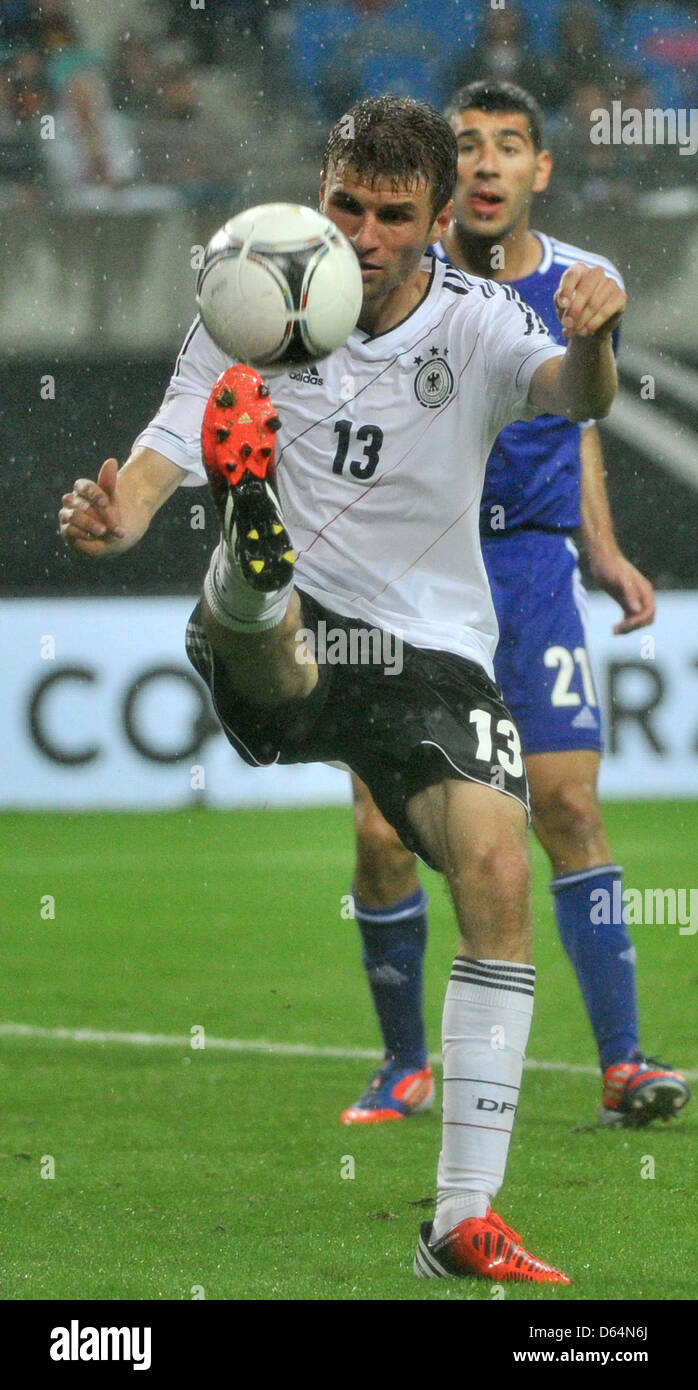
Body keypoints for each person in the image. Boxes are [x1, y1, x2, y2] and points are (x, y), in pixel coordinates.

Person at [59, 94, 626, 1283]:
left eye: (389, 217)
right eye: (344, 207)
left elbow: (572, 401)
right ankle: (255, 563)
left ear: (431, 226)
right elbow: (162, 452)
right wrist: (121, 517)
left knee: (498, 859)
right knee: (279, 635)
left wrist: (590, 339)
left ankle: (461, 1217)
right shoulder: (249, 283)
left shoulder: (476, 321)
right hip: (287, 643)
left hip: (425, 654)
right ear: (319, 192)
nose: (360, 236)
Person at [340, 81, 691, 1132]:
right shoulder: (400, 282)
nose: (486, 164)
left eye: (507, 147)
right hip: (413, 573)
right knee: (378, 831)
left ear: (539, 170)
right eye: (467, 148)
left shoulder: (585, 284)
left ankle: (622, 1062)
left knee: (569, 809)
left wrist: (603, 546)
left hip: (531, 577)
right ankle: (405, 1060)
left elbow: (576, 420)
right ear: (443, 181)